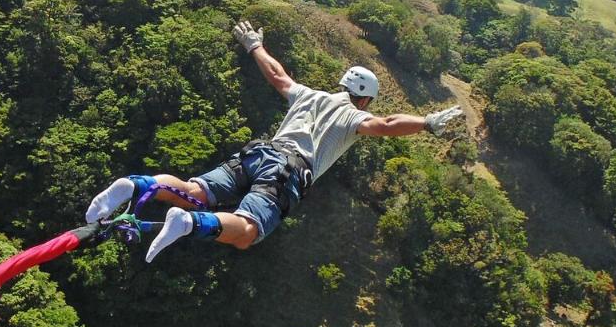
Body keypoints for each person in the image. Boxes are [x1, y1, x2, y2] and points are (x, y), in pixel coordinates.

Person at [85, 20, 465, 262]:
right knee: (247, 232)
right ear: (364, 98)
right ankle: (188, 223)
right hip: (288, 171)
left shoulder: (309, 94)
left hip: (258, 152)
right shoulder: (354, 116)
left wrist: (254, 46)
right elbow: (385, 124)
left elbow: (278, 75)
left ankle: (134, 185)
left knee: (195, 189)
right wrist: (427, 123)